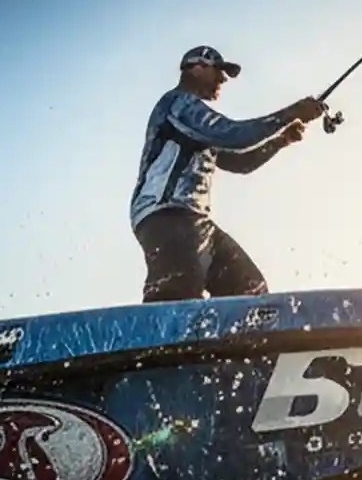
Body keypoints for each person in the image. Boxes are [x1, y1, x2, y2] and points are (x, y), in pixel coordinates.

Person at [129, 45, 326, 302]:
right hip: (166, 214)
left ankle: (234, 340)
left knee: (249, 289)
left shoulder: (197, 127)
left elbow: (239, 163)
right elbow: (234, 135)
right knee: (178, 289)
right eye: (218, 71)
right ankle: (158, 337)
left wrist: (281, 140)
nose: (223, 79)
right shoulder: (179, 104)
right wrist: (290, 113)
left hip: (195, 220)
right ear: (195, 68)